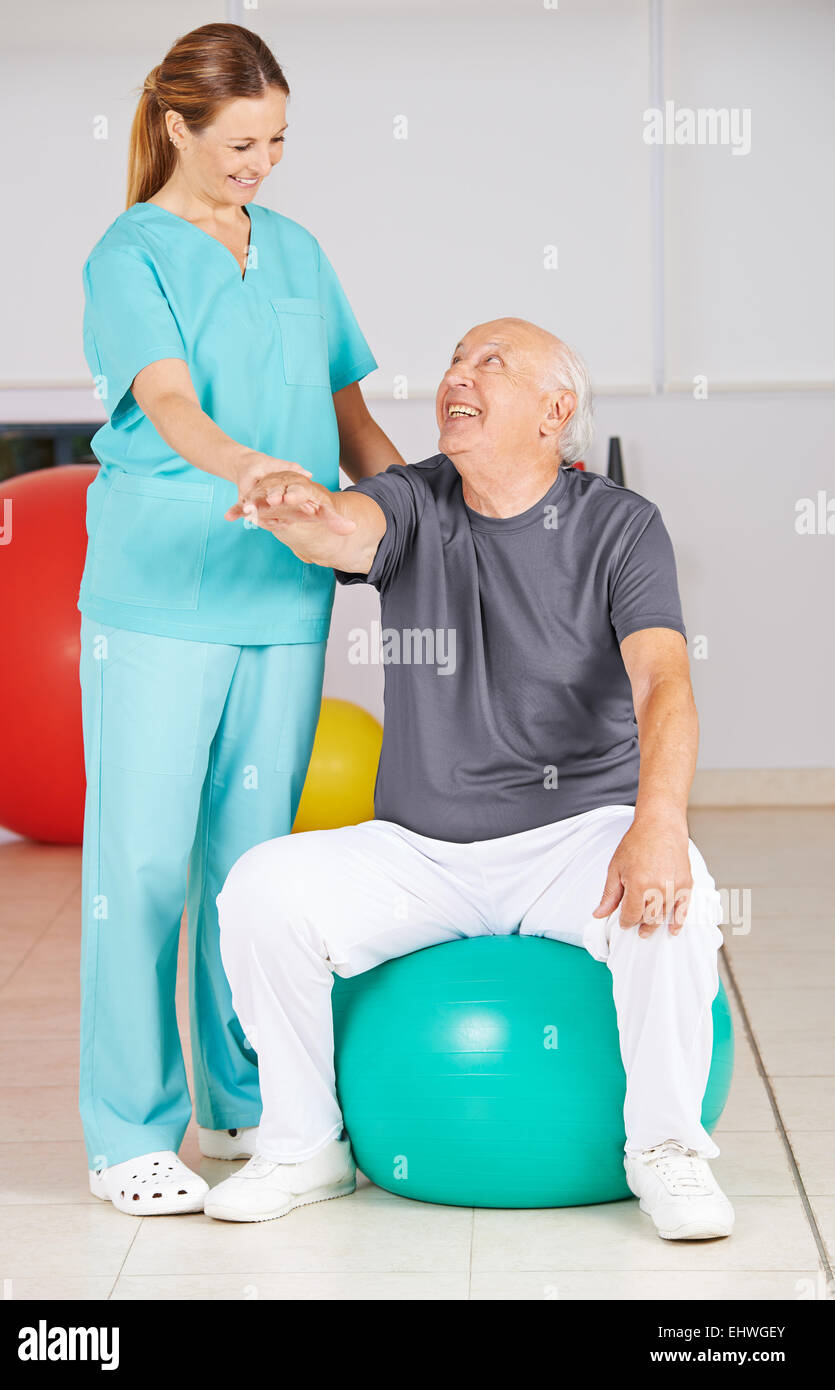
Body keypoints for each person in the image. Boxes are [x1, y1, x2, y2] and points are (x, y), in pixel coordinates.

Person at [207, 318, 735, 1241]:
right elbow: (346, 528)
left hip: (574, 841)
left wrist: (656, 821)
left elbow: (664, 683)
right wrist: (302, 509)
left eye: (491, 363)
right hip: (422, 851)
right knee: (260, 890)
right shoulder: (416, 499)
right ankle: (303, 1145)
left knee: (677, 897)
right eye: (455, 359)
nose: (459, 374)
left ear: (553, 412)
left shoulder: (620, 526)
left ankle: (666, 1149)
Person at [79, 23, 403, 1216]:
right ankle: (128, 1132)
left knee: (254, 867)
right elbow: (166, 399)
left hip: (284, 597)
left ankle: (245, 1096)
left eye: (277, 140)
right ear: (177, 127)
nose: (262, 162)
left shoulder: (301, 250)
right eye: (241, 141)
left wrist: (433, 516)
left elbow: (352, 417)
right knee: (144, 865)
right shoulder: (130, 254)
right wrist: (248, 466)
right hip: (161, 593)